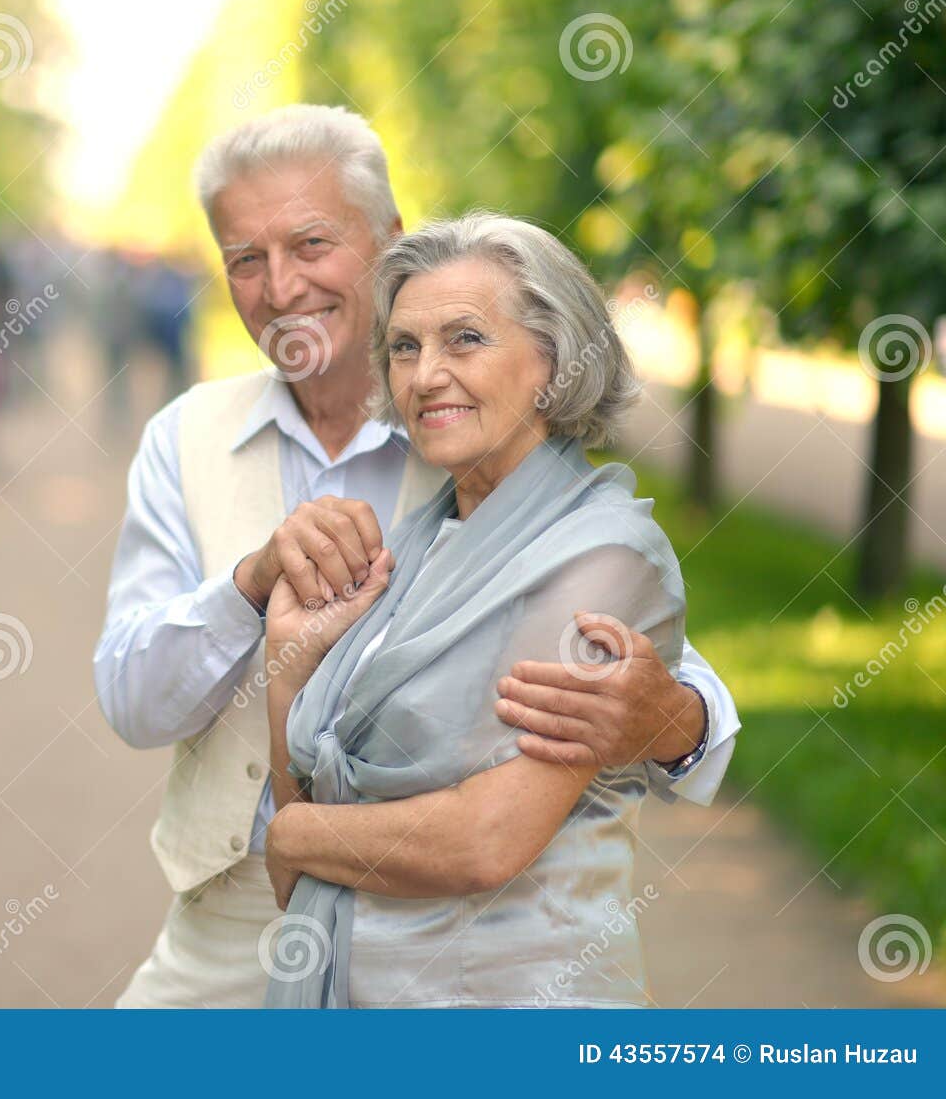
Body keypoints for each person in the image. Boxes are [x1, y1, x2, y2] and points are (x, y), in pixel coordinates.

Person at [94, 104, 739, 1007]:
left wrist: (674, 719)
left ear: (390, 240)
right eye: (246, 258)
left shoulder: (477, 451)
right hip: (230, 918)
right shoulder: (184, 436)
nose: (280, 287)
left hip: (449, 945)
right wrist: (249, 588)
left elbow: (646, 669)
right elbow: (130, 697)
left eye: (311, 243)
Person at [265, 211, 684, 1007]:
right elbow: (318, 806)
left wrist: (293, 838)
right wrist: (288, 662)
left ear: (553, 364)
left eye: (465, 339)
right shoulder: (417, 544)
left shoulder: (605, 557)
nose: (425, 376)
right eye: (404, 346)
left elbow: (487, 836)